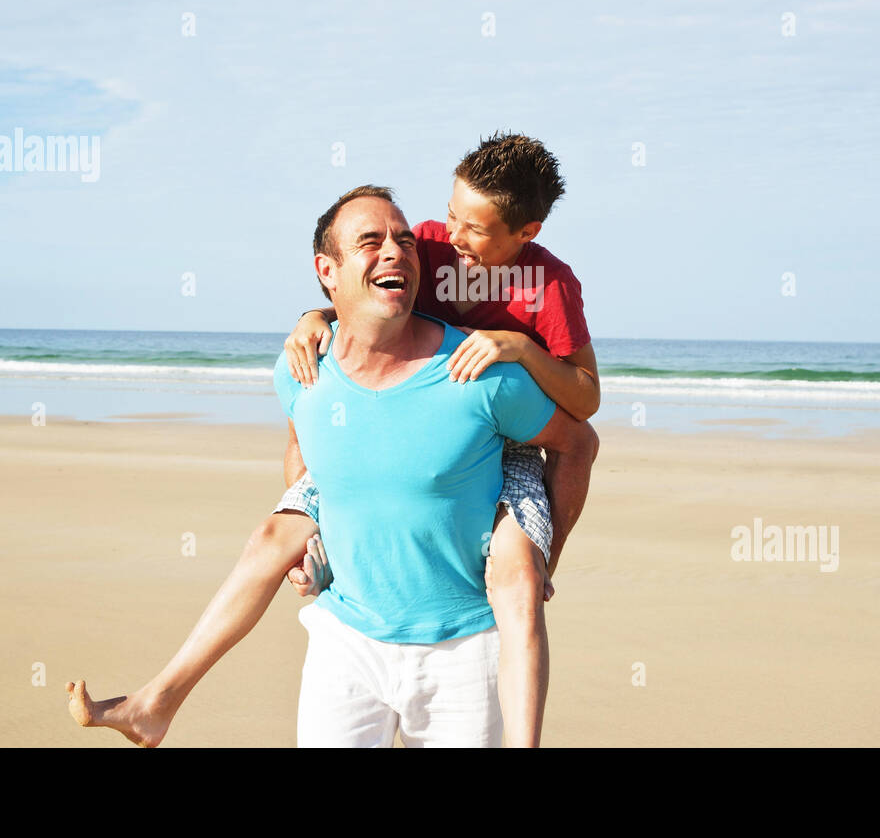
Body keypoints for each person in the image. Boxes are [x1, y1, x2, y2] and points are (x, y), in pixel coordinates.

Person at [65, 183, 598, 747]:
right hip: (345, 642)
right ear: (326, 270)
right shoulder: (304, 366)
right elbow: (304, 445)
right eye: (371, 241)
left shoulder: (486, 365)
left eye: (404, 242)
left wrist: (545, 555)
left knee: (519, 577)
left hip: (466, 652)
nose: (398, 250)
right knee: (273, 535)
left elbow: (580, 429)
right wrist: (316, 548)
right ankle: (157, 702)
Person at [281, 132, 599, 746]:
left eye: (473, 228)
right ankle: (319, 553)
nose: (451, 234)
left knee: (517, 579)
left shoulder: (550, 283)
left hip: (507, 438)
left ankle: (539, 567)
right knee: (285, 520)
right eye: (451, 213)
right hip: (412, 419)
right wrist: (312, 316)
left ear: (525, 232)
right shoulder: (428, 243)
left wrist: (521, 347)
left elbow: (585, 399)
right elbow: (366, 294)